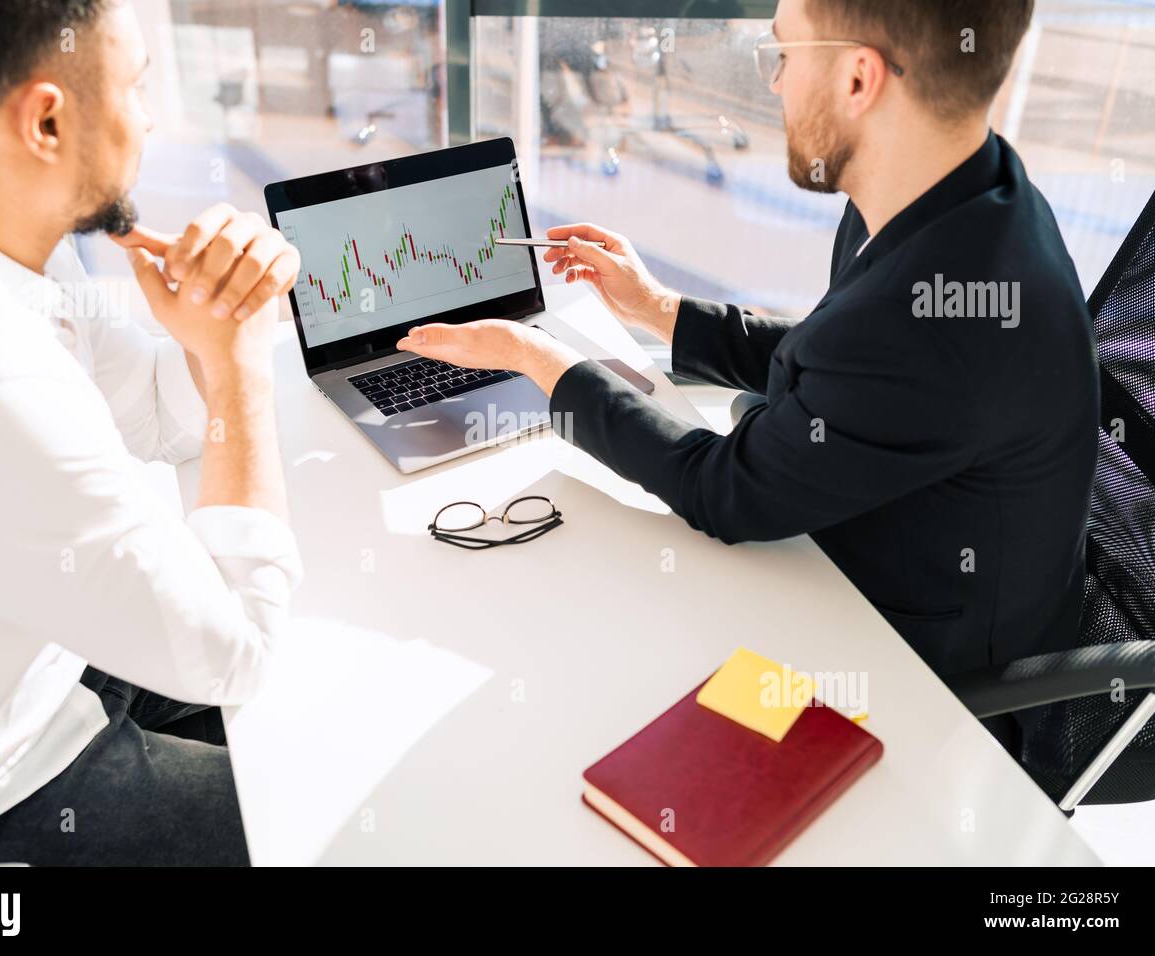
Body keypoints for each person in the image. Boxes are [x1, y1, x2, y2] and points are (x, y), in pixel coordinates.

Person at [397, 0, 1099, 756]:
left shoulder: (932, 320)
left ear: (860, 78)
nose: (775, 83)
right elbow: (837, 365)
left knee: (574, 682)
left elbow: (721, 490)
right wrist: (658, 308)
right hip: (877, 548)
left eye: (784, 55)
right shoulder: (970, 191)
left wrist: (536, 357)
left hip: (914, 681)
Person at [0, 0, 303, 865]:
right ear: (47, 120)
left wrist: (212, 324)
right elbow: (237, 649)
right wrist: (241, 363)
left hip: (38, 664)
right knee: (329, 811)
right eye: (138, 87)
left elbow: (144, 410)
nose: (149, 117)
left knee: (323, 705)